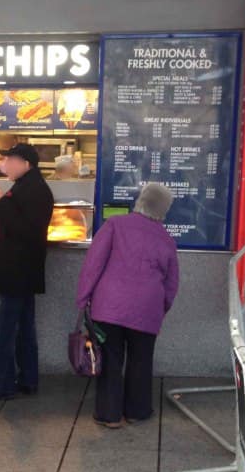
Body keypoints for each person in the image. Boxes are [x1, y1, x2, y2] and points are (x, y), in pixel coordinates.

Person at [76, 183, 179, 429]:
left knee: (110, 360)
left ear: (140, 200)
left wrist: (83, 299)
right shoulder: (166, 239)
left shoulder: (115, 225)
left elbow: (93, 265)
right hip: (147, 309)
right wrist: (160, 308)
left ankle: (109, 415)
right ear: (164, 209)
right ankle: (137, 411)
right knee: (141, 360)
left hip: (109, 307)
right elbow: (171, 283)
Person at [0, 143, 54, 401]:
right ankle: (28, 380)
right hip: (22, 272)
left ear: (25, 163)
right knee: (24, 328)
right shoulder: (26, 186)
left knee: (6, 331)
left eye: (9, 159)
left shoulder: (35, 190)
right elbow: (10, 221)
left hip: (18, 271)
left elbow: (28, 230)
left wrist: (0, 202)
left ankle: (3, 384)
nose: (3, 164)